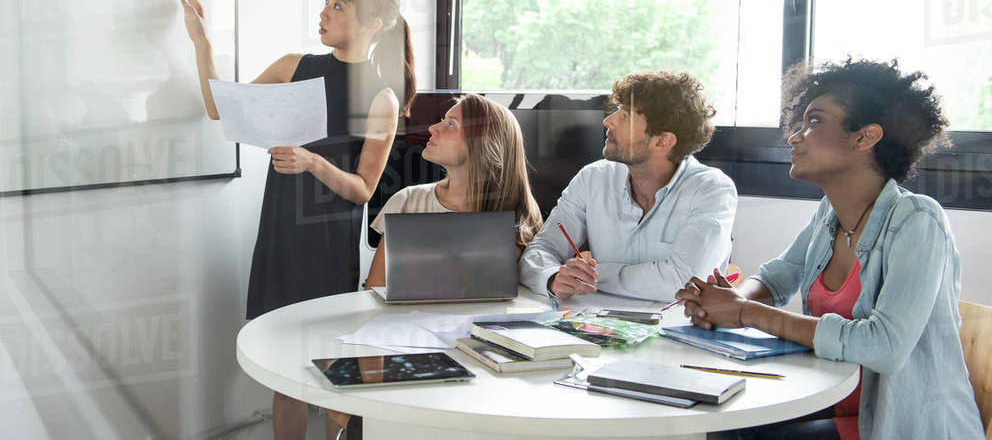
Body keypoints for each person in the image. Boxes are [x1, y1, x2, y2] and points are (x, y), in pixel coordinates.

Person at [676, 60, 984, 440]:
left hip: (898, 424)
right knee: (723, 419)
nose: (795, 136)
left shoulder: (918, 221)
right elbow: (777, 277)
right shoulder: (830, 213)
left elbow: (884, 346)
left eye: (815, 121)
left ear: (865, 137)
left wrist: (744, 312)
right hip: (835, 401)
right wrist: (725, 300)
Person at [179, 0, 415, 440]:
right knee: (283, 374)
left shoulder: (381, 98)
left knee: (330, 374)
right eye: (326, 1)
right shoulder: (295, 66)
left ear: (371, 23)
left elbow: (364, 189)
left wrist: (313, 163)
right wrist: (200, 40)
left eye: (337, 6)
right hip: (281, 236)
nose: (323, 13)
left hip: (328, 247)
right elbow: (218, 106)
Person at [518, 71, 738, 302]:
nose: (608, 121)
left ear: (662, 141)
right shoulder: (593, 177)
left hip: (675, 331)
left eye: (625, 116)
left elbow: (682, 282)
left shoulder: (713, 190)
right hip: (595, 327)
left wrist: (592, 276)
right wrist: (553, 277)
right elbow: (539, 251)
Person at [362, 94, 544, 289]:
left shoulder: (521, 220)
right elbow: (373, 291)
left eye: (450, 125)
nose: (433, 128)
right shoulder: (406, 201)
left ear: (482, 144)